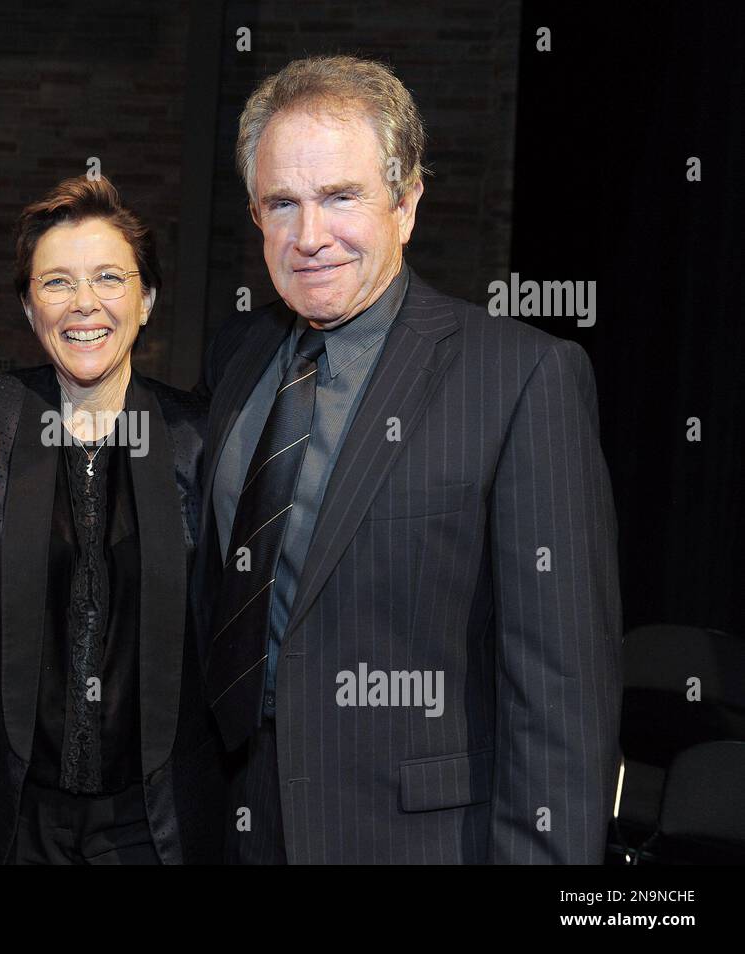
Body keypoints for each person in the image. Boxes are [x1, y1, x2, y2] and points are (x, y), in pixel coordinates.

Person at [196, 55, 622, 864]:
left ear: (407, 203)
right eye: (282, 203)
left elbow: (562, 693)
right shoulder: (239, 360)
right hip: (244, 825)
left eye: (341, 197)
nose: (309, 235)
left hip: (421, 840)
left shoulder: (521, 377)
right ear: (255, 216)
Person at [0, 176, 225, 864]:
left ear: (147, 299)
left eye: (108, 278)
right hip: (11, 814)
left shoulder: (195, 435)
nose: (85, 304)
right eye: (58, 283)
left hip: (152, 823)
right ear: (29, 306)